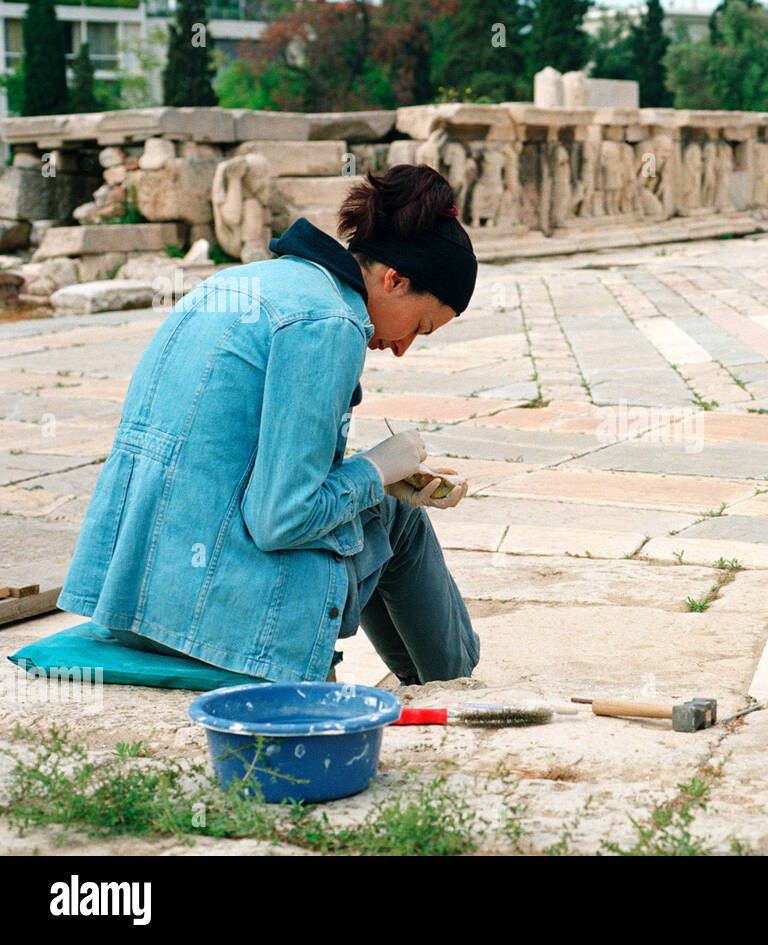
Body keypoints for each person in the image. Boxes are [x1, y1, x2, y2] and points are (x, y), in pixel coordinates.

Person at [57, 165, 481, 686]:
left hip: (131, 599)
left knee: (381, 499)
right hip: (209, 620)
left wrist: (377, 476)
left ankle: (436, 677)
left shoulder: (239, 280)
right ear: (394, 280)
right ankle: (454, 683)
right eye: (420, 326)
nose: (402, 347)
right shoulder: (331, 324)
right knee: (397, 516)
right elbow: (282, 518)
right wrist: (376, 471)